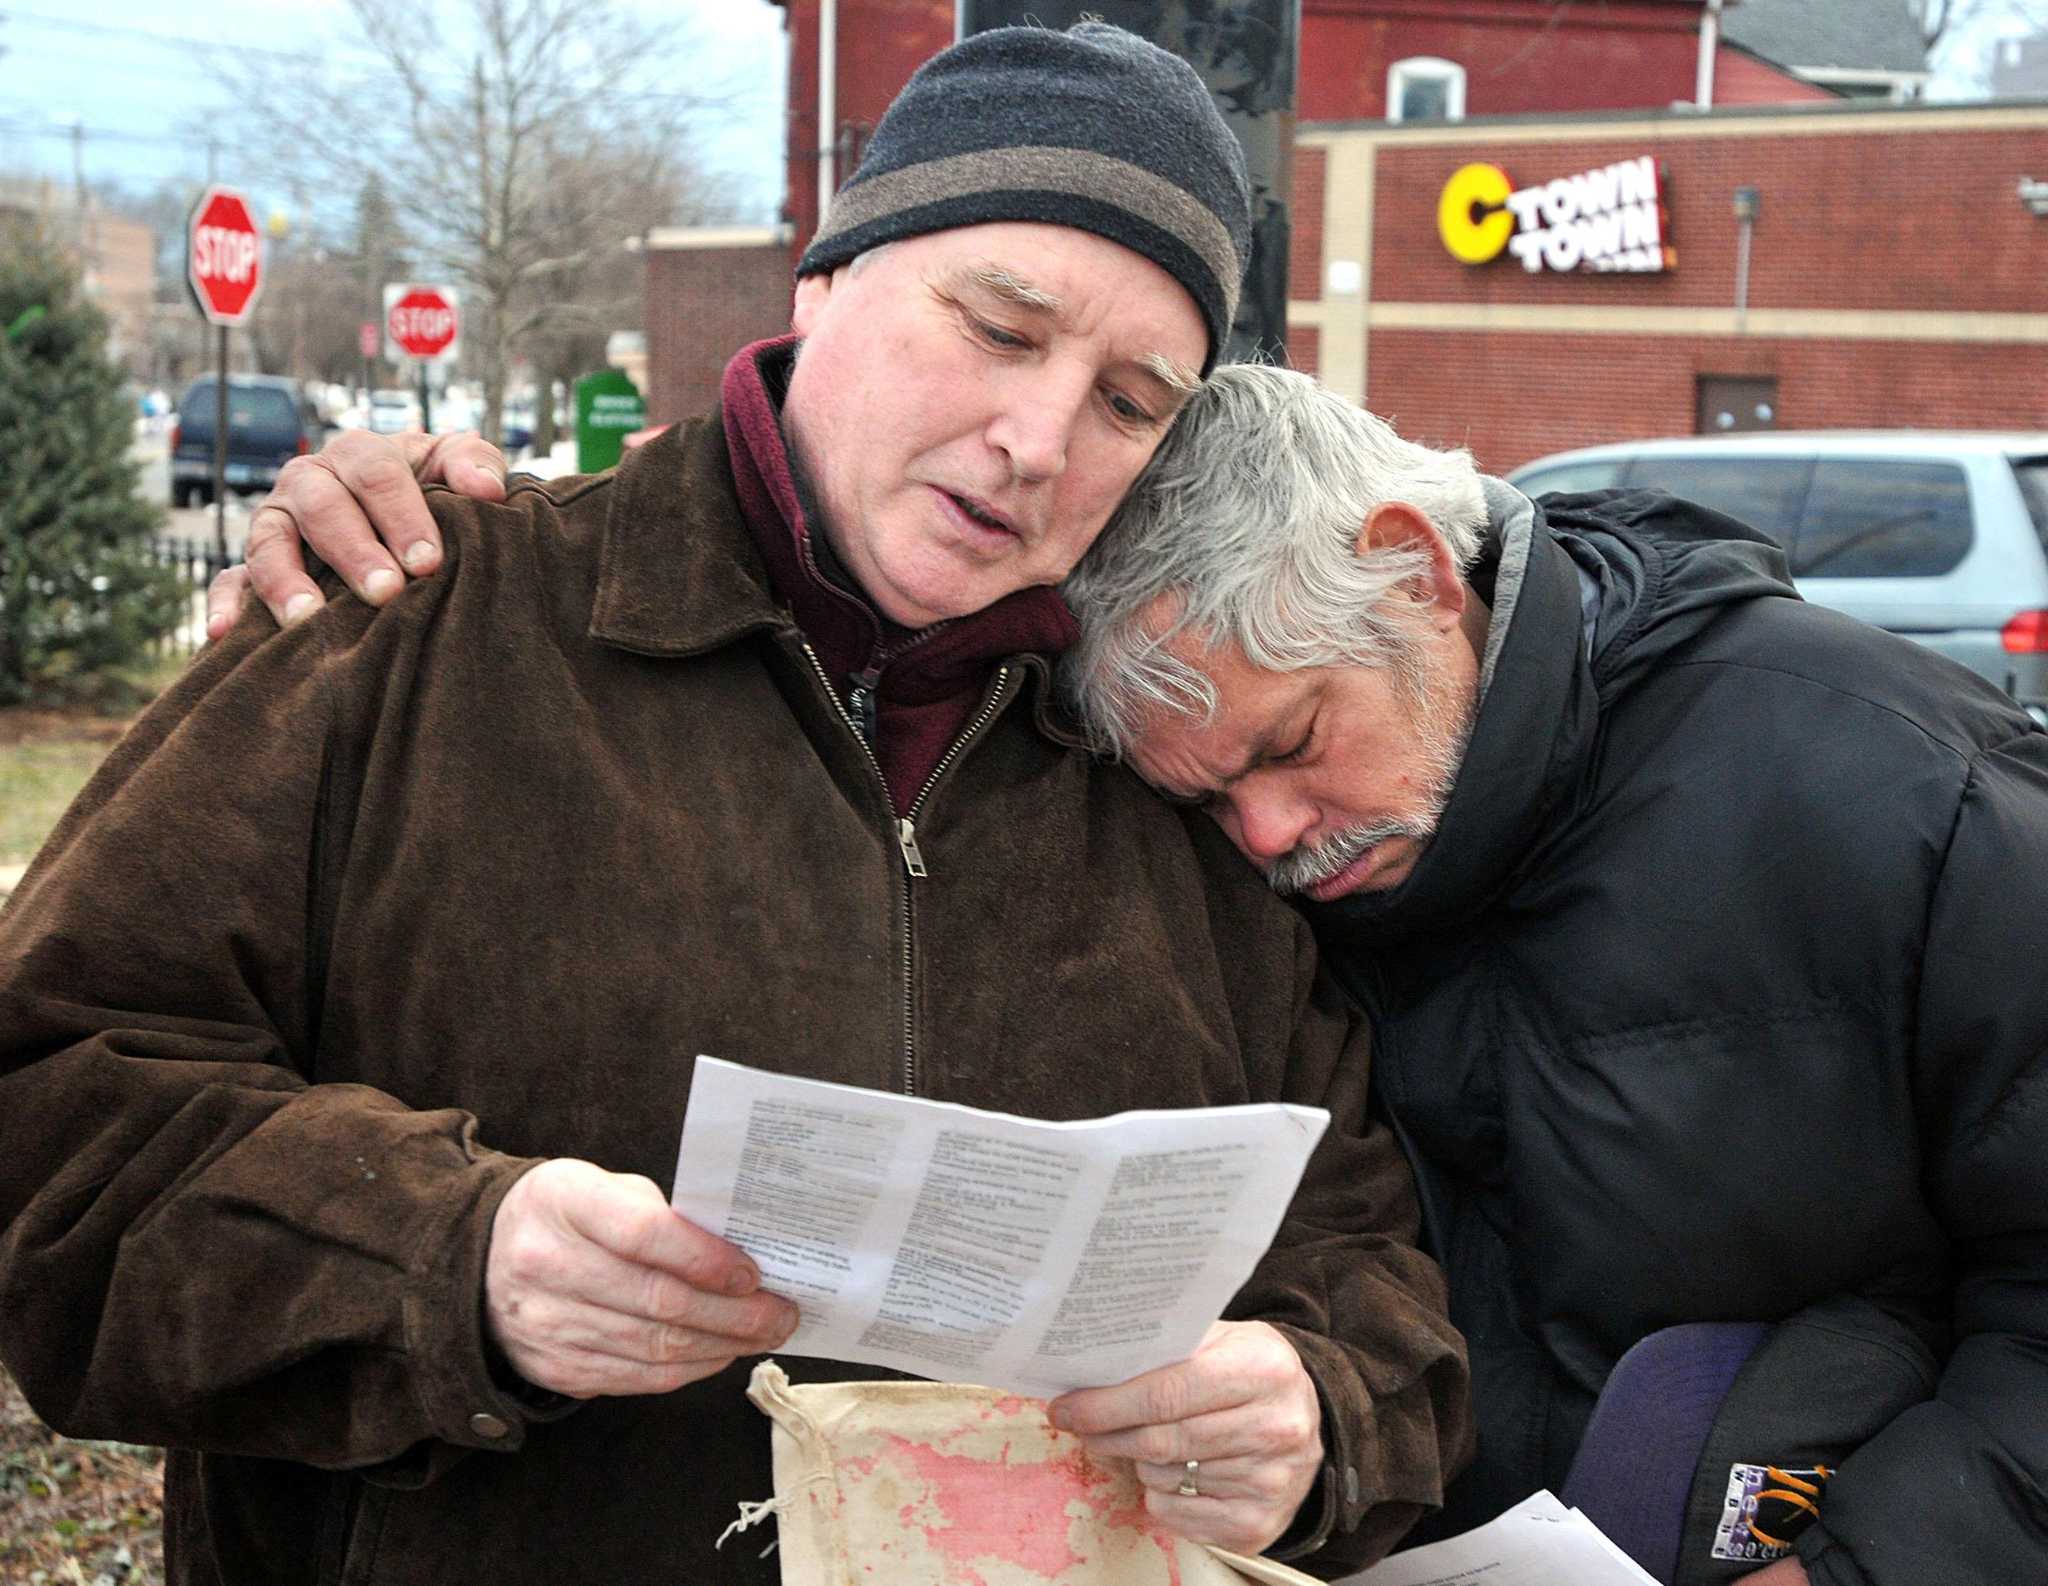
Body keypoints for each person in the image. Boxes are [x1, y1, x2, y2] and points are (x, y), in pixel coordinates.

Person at [0, 27, 1469, 1586]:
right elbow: (52, 1118)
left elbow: (1368, 1264)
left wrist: (1320, 1413)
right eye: (996, 327)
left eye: (1127, 401)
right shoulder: (419, 614)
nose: (1038, 440)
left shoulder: (1167, 775)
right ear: (822, 279)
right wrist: (446, 1262)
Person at [1050, 364, 2048, 1586]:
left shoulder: (1895, 787)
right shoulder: (1265, 891)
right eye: (1205, 797)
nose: (1263, 834)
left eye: (1293, 741)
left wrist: (1855, 1570)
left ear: (1413, 571)